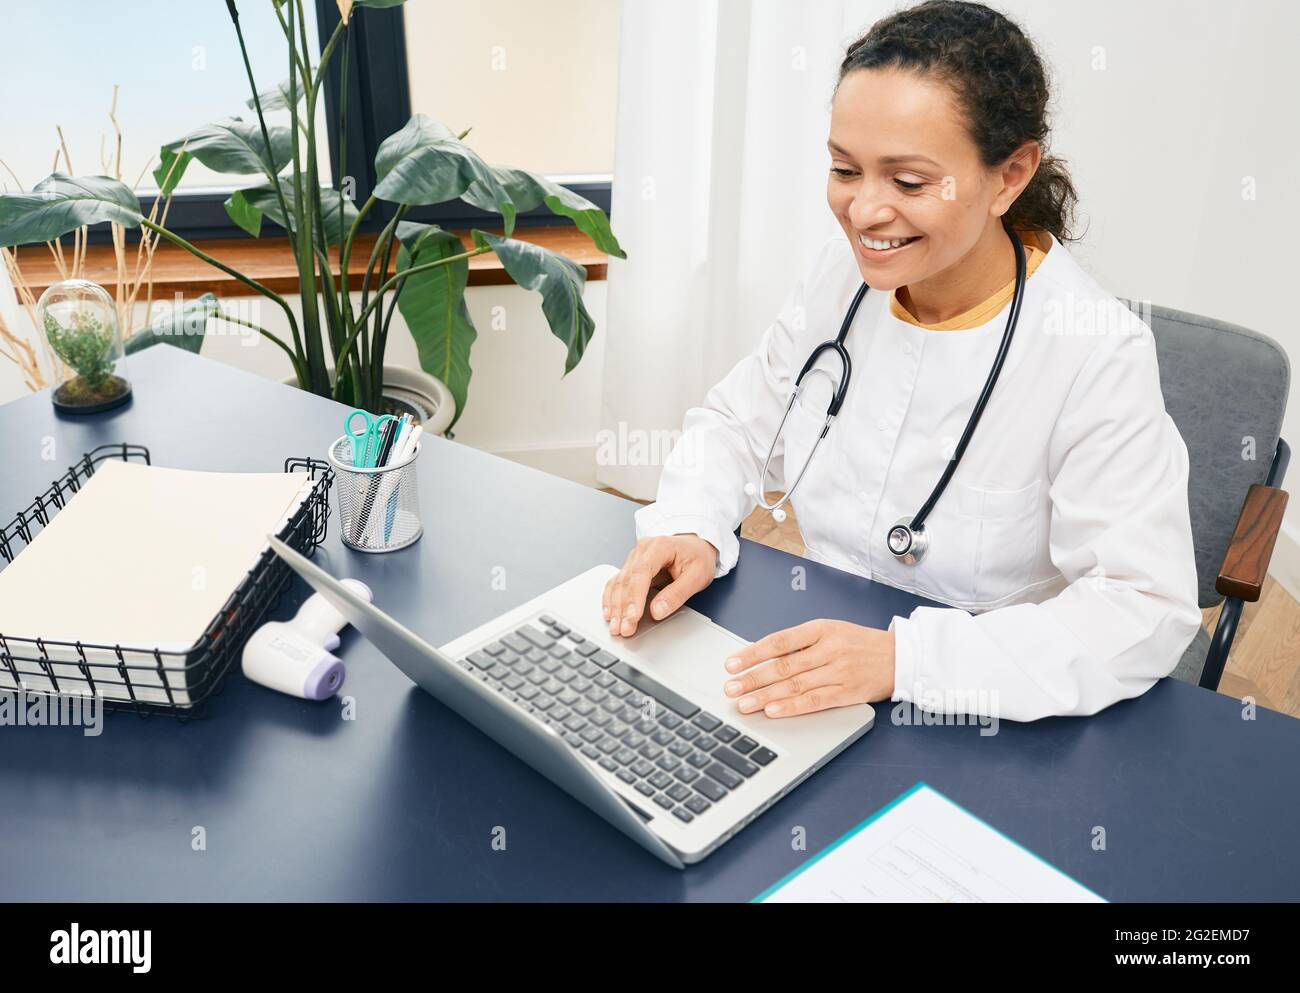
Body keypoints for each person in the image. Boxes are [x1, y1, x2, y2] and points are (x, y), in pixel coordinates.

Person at [601, 0, 1201, 723]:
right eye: (844, 169)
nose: (863, 212)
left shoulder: (1095, 351)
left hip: (992, 710)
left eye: (909, 182)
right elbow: (737, 426)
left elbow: (1142, 608)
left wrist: (906, 660)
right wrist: (690, 525)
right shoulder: (840, 280)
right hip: (817, 662)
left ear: (1009, 176)